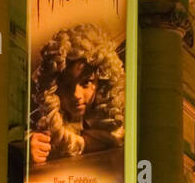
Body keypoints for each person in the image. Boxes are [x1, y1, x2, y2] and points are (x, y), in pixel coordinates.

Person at [28, 22, 125, 164]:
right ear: (54, 88)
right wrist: (30, 148)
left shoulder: (116, 121)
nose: (76, 95)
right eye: (66, 85)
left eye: (86, 82)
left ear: (101, 80)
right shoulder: (43, 122)